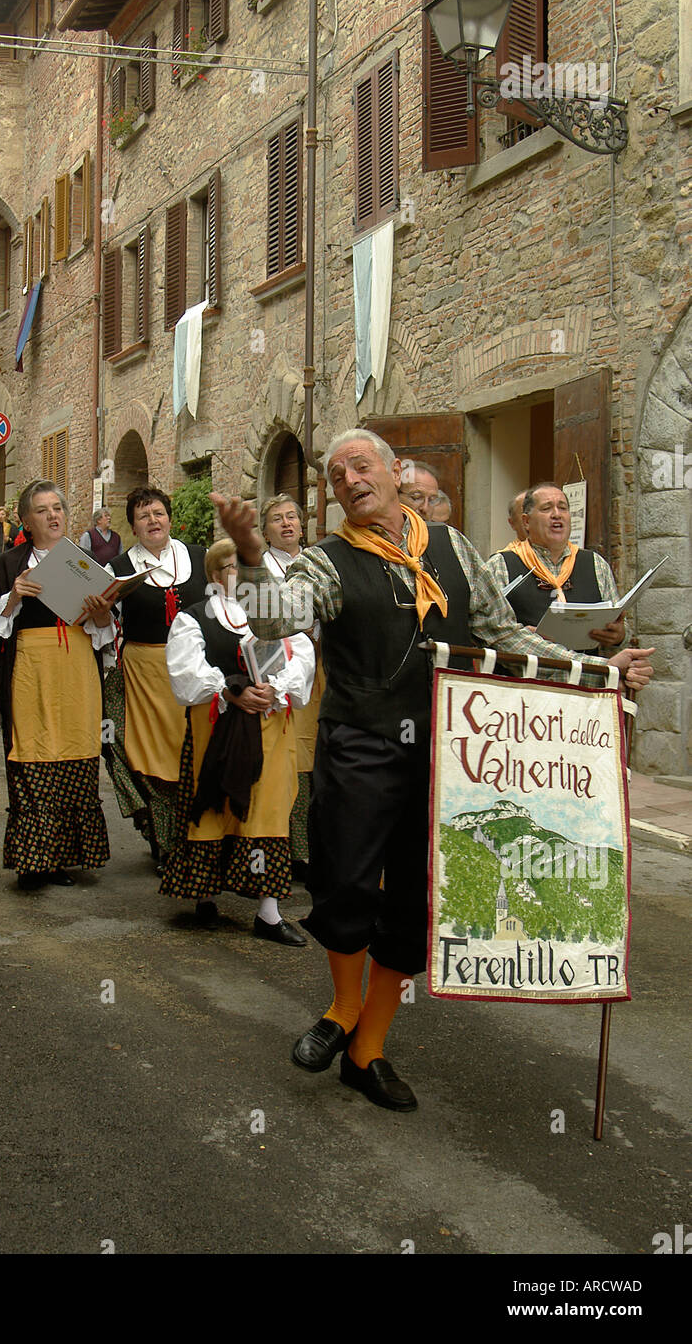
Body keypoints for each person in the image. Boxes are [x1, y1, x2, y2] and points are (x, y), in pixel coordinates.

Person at [211, 430, 655, 1112]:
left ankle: (367, 1049)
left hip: (446, 749)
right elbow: (275, 623)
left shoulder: (452, 549)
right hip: (358, 741)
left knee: (417, 897)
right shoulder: (327, 561)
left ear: (394, 472)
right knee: (346, 884)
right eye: (335, 475)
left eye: (361, 465)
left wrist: (600, 669)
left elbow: (505, 635)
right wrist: (248, 553)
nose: (349, 479)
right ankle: (340, 1007)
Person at [162, 539, 314, 942]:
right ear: (215, 576)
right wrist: (229, 690)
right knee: (214, 805)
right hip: (217, 728)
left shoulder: (279, 616)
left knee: (267, 811)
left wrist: (275, 689)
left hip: (269, 727)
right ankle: (205, 896)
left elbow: (303, 661)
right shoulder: (194, 617)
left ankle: (268, 913)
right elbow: (186, 672)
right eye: (232, 568)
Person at [0, 479, 114, 889]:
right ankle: (34, 860)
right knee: (32, 756)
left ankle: (65, 856)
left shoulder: (87, 562)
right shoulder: (10, 564)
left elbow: (106, 635)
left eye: (58, 508)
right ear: (26, 521)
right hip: (30, 670)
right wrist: (14, 597)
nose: (53, 515)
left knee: (74, 754)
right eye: (42, 510)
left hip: (77, 669)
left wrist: (103, 615)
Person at [104, 486, 207, 868]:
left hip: (194, 669)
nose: (153, 520)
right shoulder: (117, 569)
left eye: (158, 513)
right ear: (133, 525)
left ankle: (198, 836)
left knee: (193, 753)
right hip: (144, 673)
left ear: (169, 518)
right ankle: (163, 836)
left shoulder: (199, 557)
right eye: (144, 515)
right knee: (149, 756)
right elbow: (102, 626)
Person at [260, 494, 323, 884]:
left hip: (323, 670)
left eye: (291, 518)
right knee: (292, 756)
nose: (286, 524)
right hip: (282, 672)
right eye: (276, 519)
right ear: (265, 530)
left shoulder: (317, 564)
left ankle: (318, 845)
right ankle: (293, 849)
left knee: (319, 753)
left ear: (302, 525)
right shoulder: (261, 571)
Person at [486, 482, 626, 650]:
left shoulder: (596, 564)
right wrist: (520, 637)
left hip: (587, 673)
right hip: (527, 673)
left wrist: (619, 635)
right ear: (526, 521)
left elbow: (621, 632)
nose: (556, 514)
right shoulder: (501, 565)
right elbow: (488, 630)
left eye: (563, 508)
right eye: (546, 509)